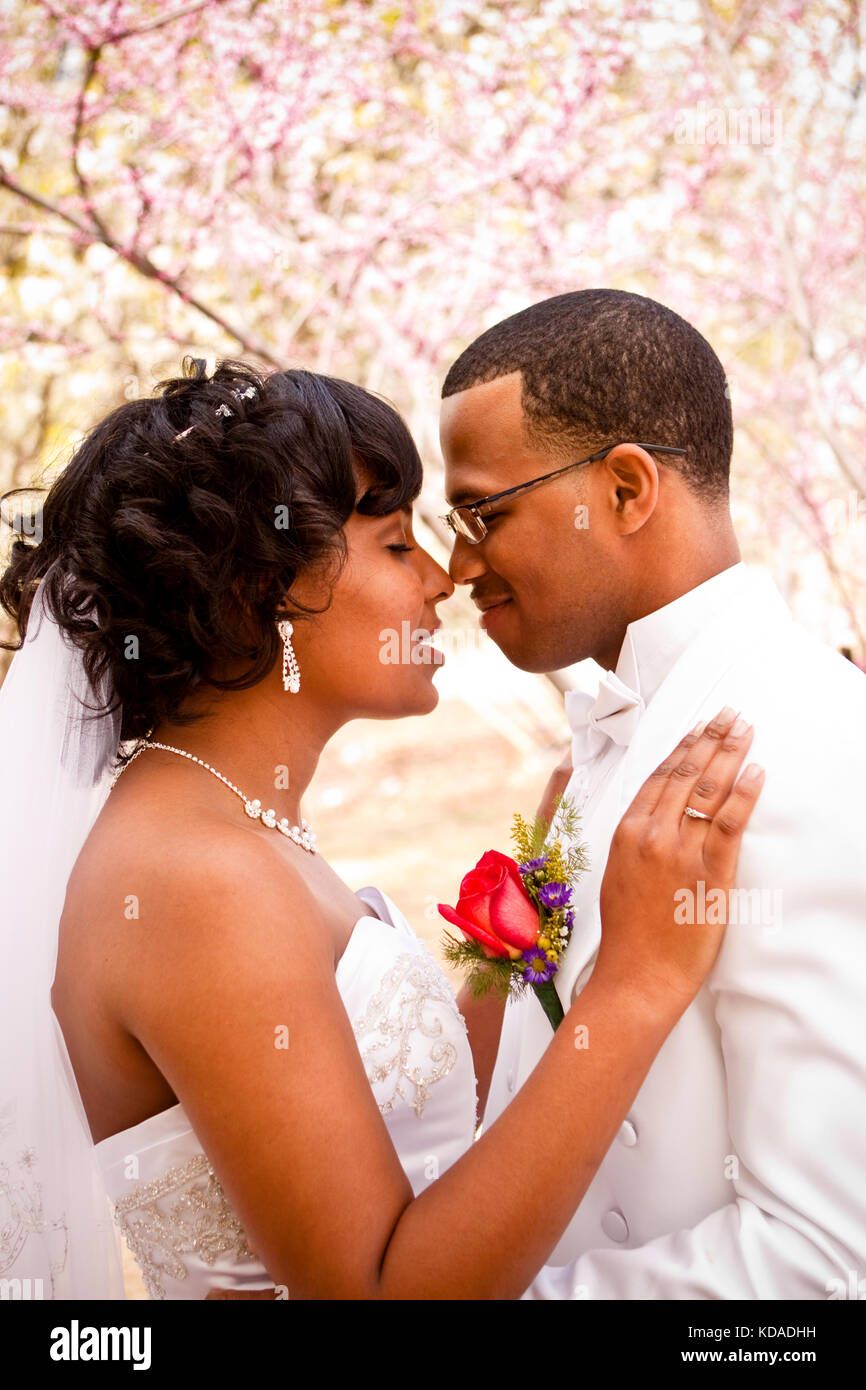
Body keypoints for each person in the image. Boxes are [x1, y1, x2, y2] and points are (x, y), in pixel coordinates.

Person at [0, 357, 761, 1300]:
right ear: (262, 593)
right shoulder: (194, 875)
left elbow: (408, 1118)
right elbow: (375, 1289)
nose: (443, 579)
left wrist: (544, 880)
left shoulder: (226, 825)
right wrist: (637, 987)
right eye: (398, 546)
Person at [438, 287, 866, 1299]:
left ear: (626, 490)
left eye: (483, 514)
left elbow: (822, 1265)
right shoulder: (618, 730)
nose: (457, 565)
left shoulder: (793, 749)